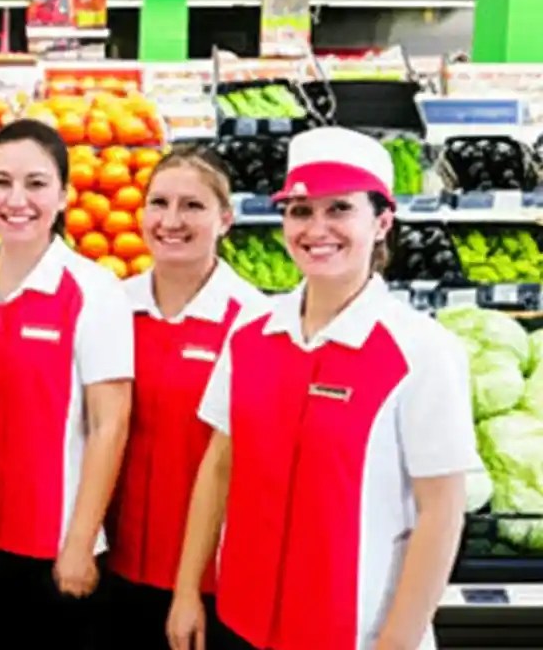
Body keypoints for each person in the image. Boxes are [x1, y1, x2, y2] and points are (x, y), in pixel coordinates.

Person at [167, 127, 480, 650]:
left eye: (339, 209)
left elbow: (442, 514)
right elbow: (220, 465)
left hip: (357, 634)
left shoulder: (421, 351)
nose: (317, 229)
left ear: (382, 222)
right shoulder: (250, 336)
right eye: (300, 210)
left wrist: (395, 644)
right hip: (243, 622)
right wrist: (186, 592)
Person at [0, 118, 134, 650]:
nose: (17, 199)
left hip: (55, 545)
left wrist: (80, 543)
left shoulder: (94, 291)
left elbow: (110, 423)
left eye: (36, 184)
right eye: (2, 182)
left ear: (63, 196)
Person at [102, 148, 267, 649]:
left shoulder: (254, 323)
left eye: (192, 207)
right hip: (115, 565)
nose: (171, 221)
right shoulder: (109, 307)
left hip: (212, 580)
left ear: (226, 219)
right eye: (159, 203)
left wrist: (191, 589)